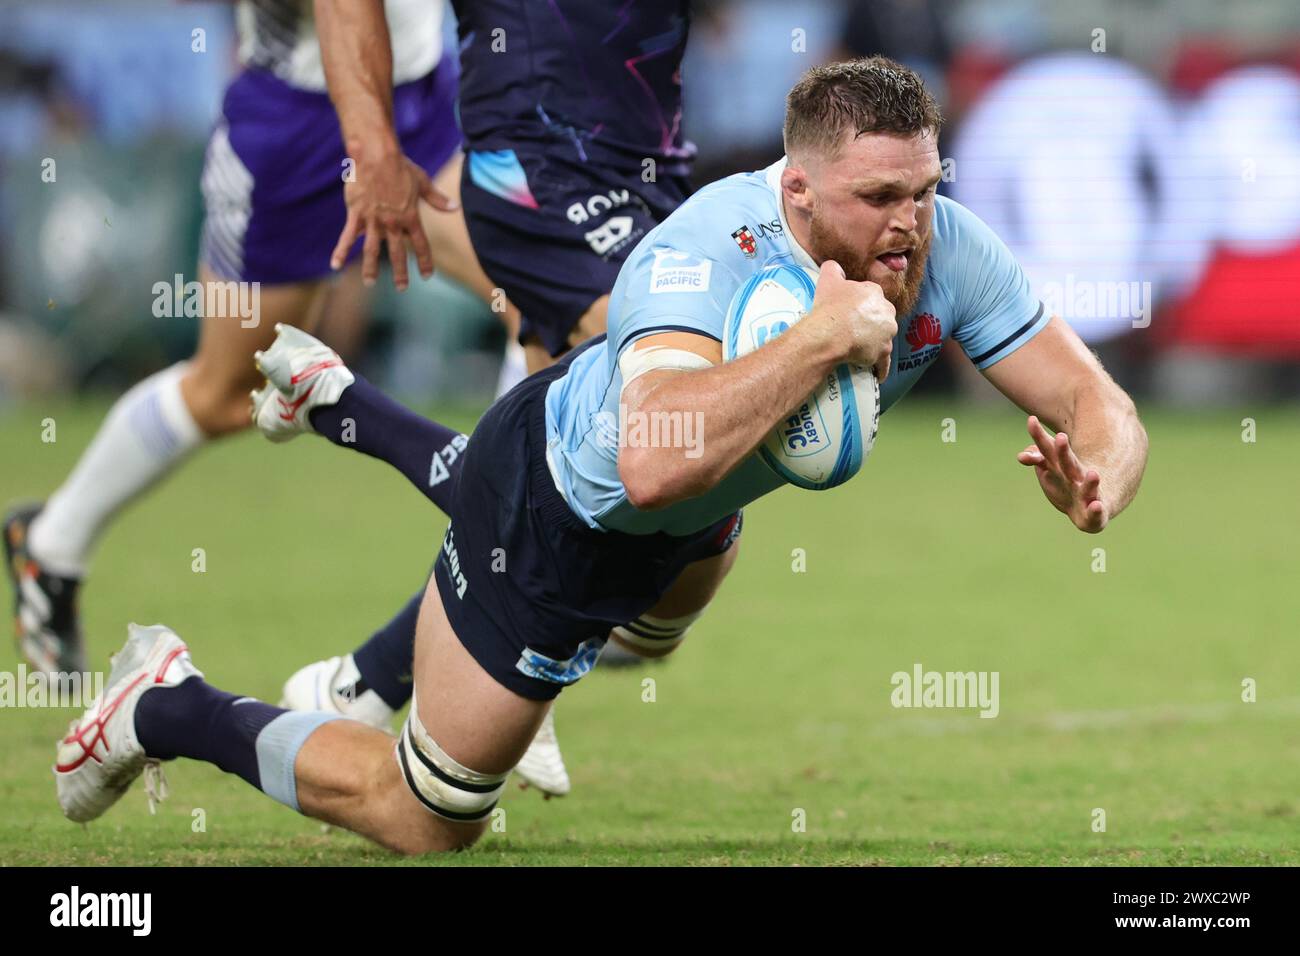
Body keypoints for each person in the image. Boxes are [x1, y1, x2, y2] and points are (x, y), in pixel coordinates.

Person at [53, 58, 1148, 854]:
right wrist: (822, 336)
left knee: (657, 623)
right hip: (557, 511)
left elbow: (1095, 399)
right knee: (428, 816)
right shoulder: (697, 254)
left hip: (693, 525)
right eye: (879, 198)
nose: (911, 223)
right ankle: (167, 702)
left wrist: (1100, 473)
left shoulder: (946, 244)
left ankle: (346, 408)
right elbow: (648, 465)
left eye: (924, 188)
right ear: (799, 188)